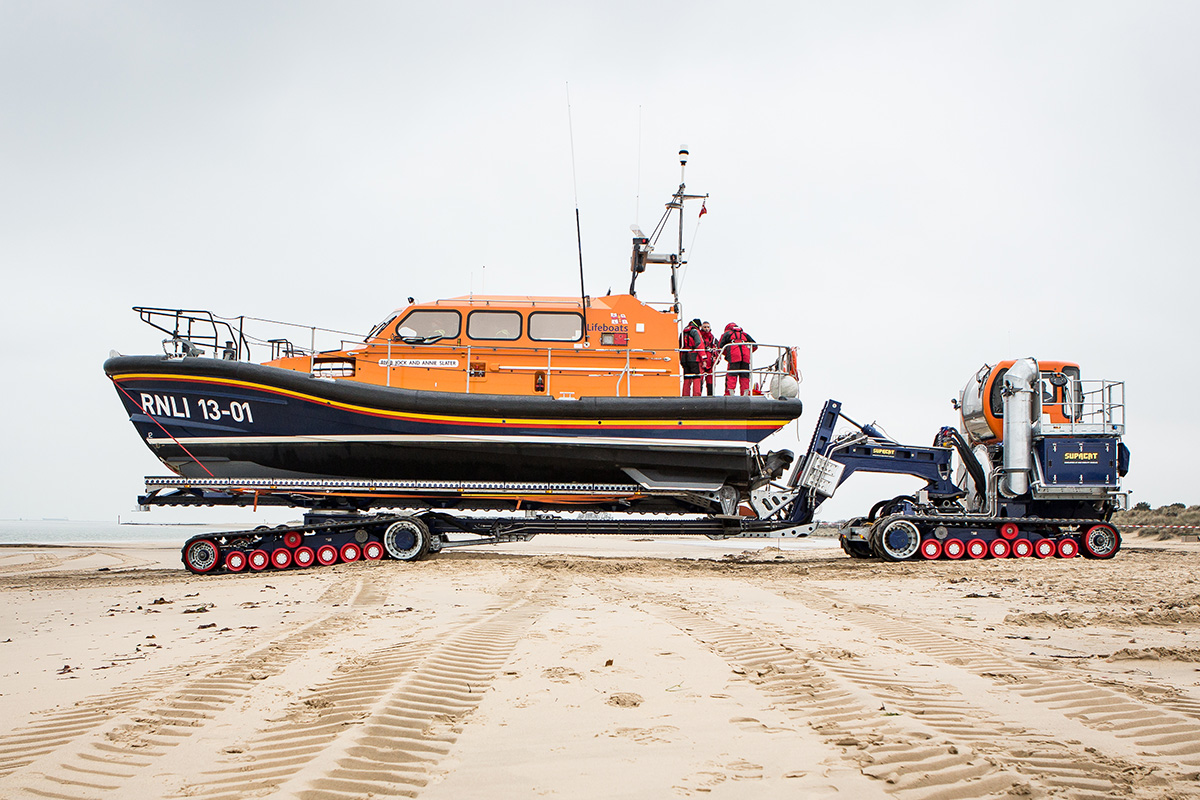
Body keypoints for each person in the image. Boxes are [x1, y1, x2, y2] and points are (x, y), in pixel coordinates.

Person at [718, 322, 757, 395]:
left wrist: (728, 354)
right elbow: (755, 346)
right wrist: (747, 351)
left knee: (732, 375)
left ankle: (730, 393)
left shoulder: (727, 334)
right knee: (745, 375)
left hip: (734, 356)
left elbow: (721, 347)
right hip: (745, 356)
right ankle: (745, 393)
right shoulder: (744, 334)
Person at [679, 319, 704, 396]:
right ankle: (696, 396)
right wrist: (704, 359)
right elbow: (699, 345)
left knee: (687, 378)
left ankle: (685, 395)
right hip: (693, 357)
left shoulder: (683, 332)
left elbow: (680, 346)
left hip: (684, 358)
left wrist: (681, 360)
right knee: (696, 377)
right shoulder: (695, 332)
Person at [699, 321, 718, 396]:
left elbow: (717, 349)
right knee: (699, 380)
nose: (706, 329)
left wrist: (716, 359)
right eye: (705, 327)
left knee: (711, 381)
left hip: (711, 362)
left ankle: (711, 396)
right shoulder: (699, 337)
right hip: (701, 362)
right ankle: (698, 396)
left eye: (708, 327)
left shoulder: (713, 339)